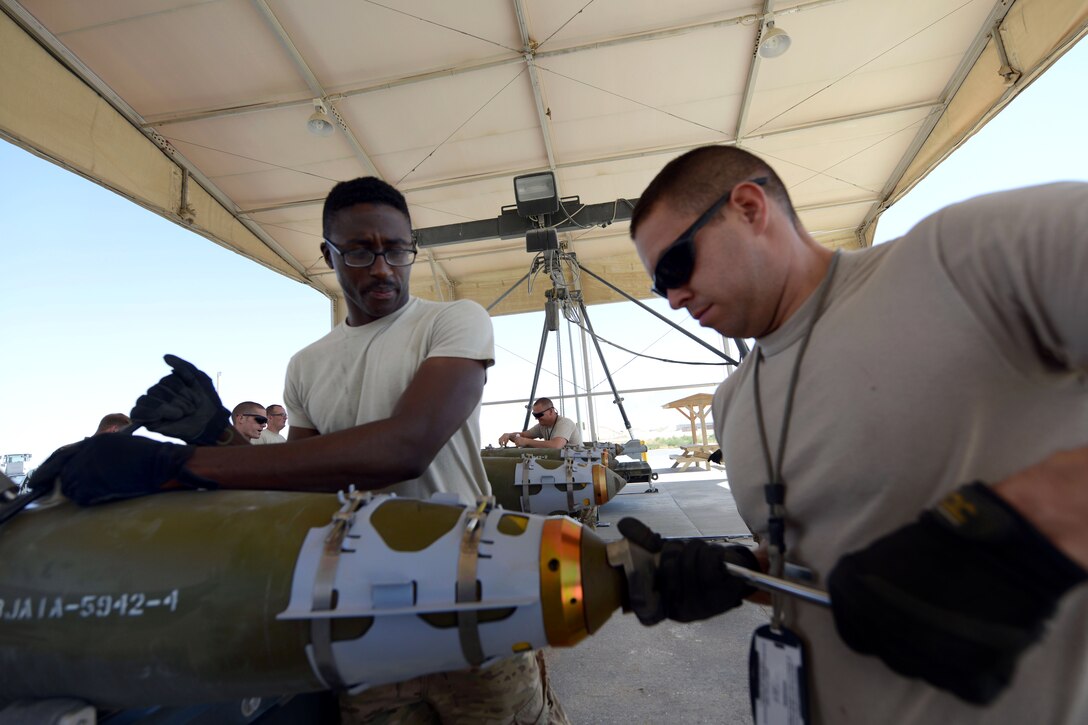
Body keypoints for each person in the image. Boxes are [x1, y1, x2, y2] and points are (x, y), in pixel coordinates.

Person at [41, 177, 566, 724]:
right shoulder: (306, 365)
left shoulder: (453, 321)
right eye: (361, 251)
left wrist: (176, 466)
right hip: (360, 617)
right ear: (328, 254)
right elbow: (300, 488)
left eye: (397, 249)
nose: (383, 267)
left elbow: (405, 449)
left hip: (473, 601)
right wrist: (219, 435)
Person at [623, 145, 1087, 723]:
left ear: (747, 207)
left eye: (675, 267)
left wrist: (1028, 527)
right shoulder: (732, 402)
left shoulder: (961, 259)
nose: (673, 297)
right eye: (657, 287)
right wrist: (740, 575)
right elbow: (841, 571)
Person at [498, 397, 582, 449]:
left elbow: (556, 446)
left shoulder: (565, 423)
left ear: (551, 411)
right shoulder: (542, 426)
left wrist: (527, 442)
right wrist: (508, 435)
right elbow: (523, 435)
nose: (536, 418)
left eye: (539, 415)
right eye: (534, 415)